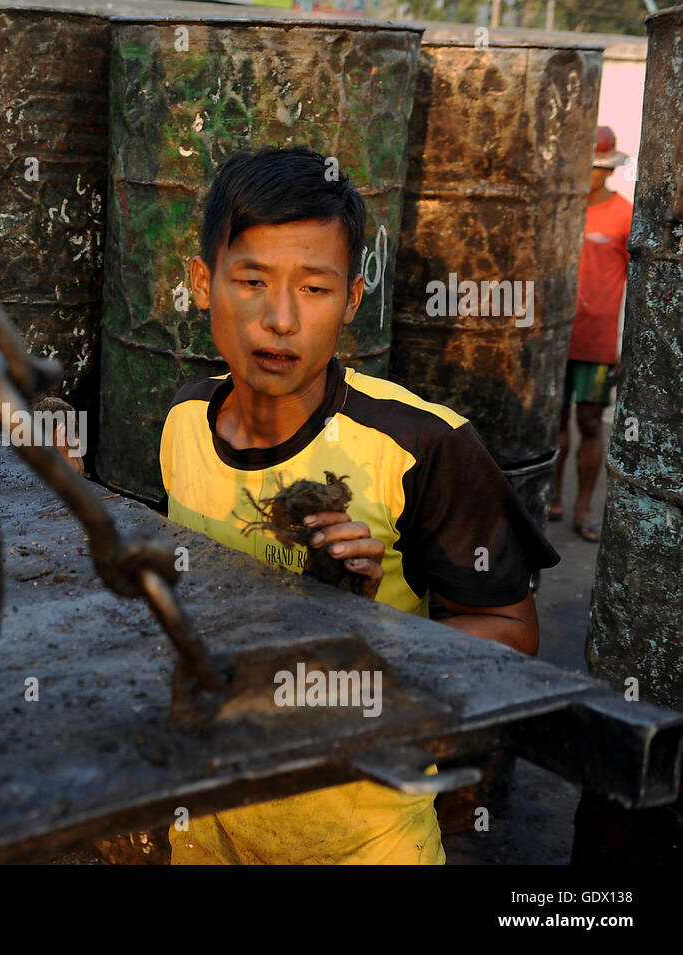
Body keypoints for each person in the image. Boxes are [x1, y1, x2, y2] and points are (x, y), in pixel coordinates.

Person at [161, 146, 560, 865]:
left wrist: (372, 630)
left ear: (350, 301)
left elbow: (512, 630)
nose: (279, 318)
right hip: (211, 816)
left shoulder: (422, 445)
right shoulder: (184, 421)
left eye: (314, 289)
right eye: (250, 279)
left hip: (361, 833)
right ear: (201, 282)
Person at [550, 126, 633, 542]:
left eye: (600, 167)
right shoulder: (561, 210)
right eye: (588, 166)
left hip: (598, 342)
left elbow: (639, 282)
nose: (592, 174)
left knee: (590, 422)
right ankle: (551, 499)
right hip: (555, 336)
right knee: (555, 420)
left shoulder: (625, 214)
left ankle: (584, 507)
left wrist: (625, 344)